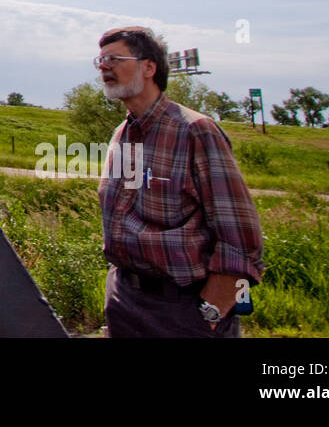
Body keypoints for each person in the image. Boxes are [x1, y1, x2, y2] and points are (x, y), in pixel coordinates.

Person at [95, 26, 265, 337]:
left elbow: (241, 239)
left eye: (115, 58)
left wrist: (209, 313)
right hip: (125, 302)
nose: (104, 66)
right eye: (100, 60)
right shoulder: (122, 134)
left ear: (149, 67)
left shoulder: (196, 131)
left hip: (182, 311)